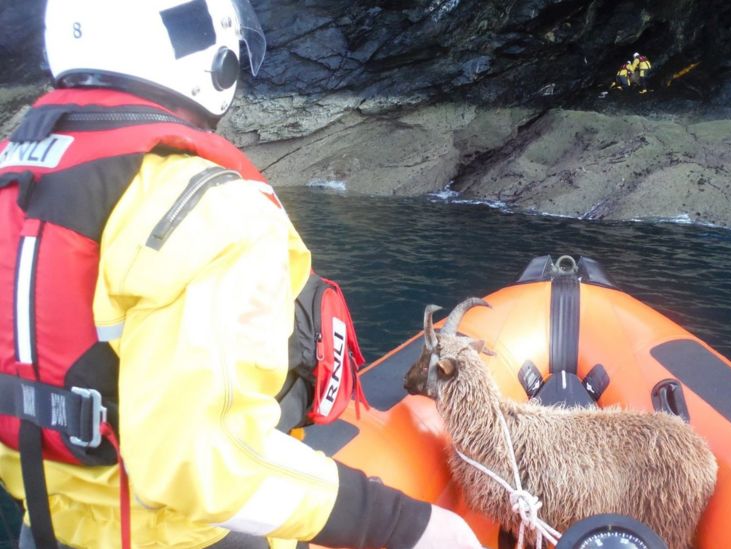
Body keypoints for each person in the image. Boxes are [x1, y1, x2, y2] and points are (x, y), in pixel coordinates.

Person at [0, 1, 481, 548]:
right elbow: (202, 459)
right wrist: (406, 525)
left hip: (47, 525)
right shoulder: (210, 211)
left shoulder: (14, 180)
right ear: (206, 55)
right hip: (181, 534)